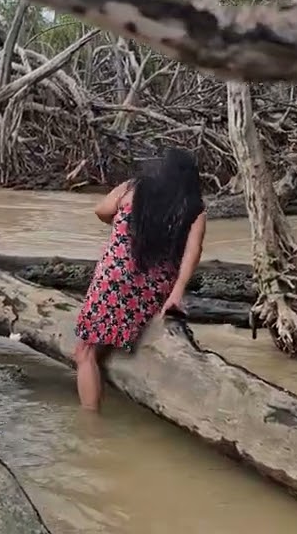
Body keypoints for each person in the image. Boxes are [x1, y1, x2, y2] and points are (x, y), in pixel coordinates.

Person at [72, 148, 207, 411]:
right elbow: (193, 253)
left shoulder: (133, 188)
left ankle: (90, 424)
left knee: (84, 352)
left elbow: (100, 210)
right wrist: (176, 294)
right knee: (107, 341)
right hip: (155, 289)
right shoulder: (194, 208)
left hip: (115, 280)